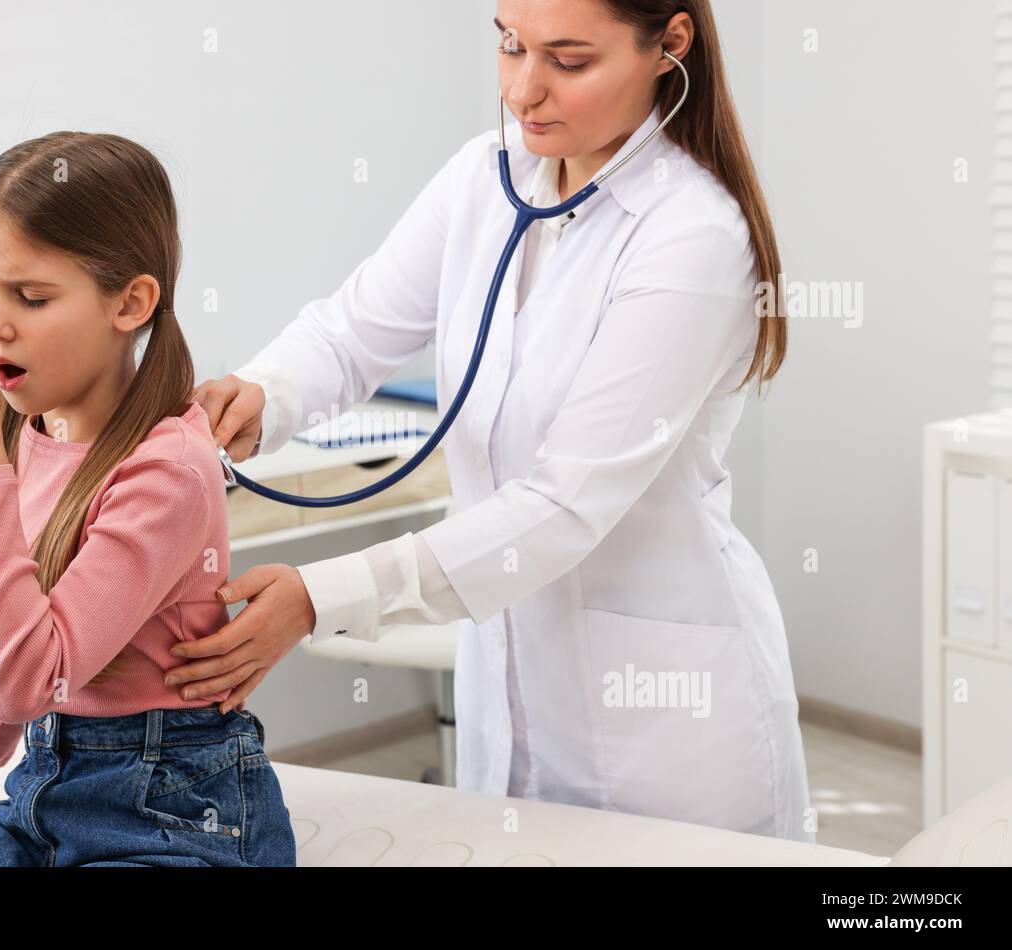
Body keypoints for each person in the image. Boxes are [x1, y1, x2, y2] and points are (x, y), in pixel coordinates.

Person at [176, 0, 814, 842]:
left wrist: (319, 595)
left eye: (569, 60)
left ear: (670, 43)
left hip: (662, 725)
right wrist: (261, 395)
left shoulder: (691, 234)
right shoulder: (486, 178)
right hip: (505, 690)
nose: (522, 87)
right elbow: (350, 333)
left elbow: (563, 505)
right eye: (510, 46)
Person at [0, 132, 295, 867]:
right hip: (48, 786)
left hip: (176, 807)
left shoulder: (170, 472)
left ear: (130, 303)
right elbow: (15, 657)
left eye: (30, 296)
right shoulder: (30, 432)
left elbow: (30, 678)